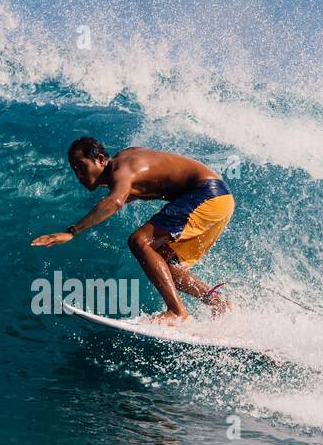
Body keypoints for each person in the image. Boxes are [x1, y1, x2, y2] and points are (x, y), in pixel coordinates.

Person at [31, 137, 234, 323]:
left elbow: (115, 201)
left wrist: (72, 231)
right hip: (219, 200)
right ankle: (218, 302)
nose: (79, 175)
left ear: (101, 159)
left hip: (207, 194)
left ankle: (177, 312)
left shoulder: (121, 169)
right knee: (162, 261)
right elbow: (149, 174)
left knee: (139, 241)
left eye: (82, 167)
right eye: (75, 170)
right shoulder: (126, 162)